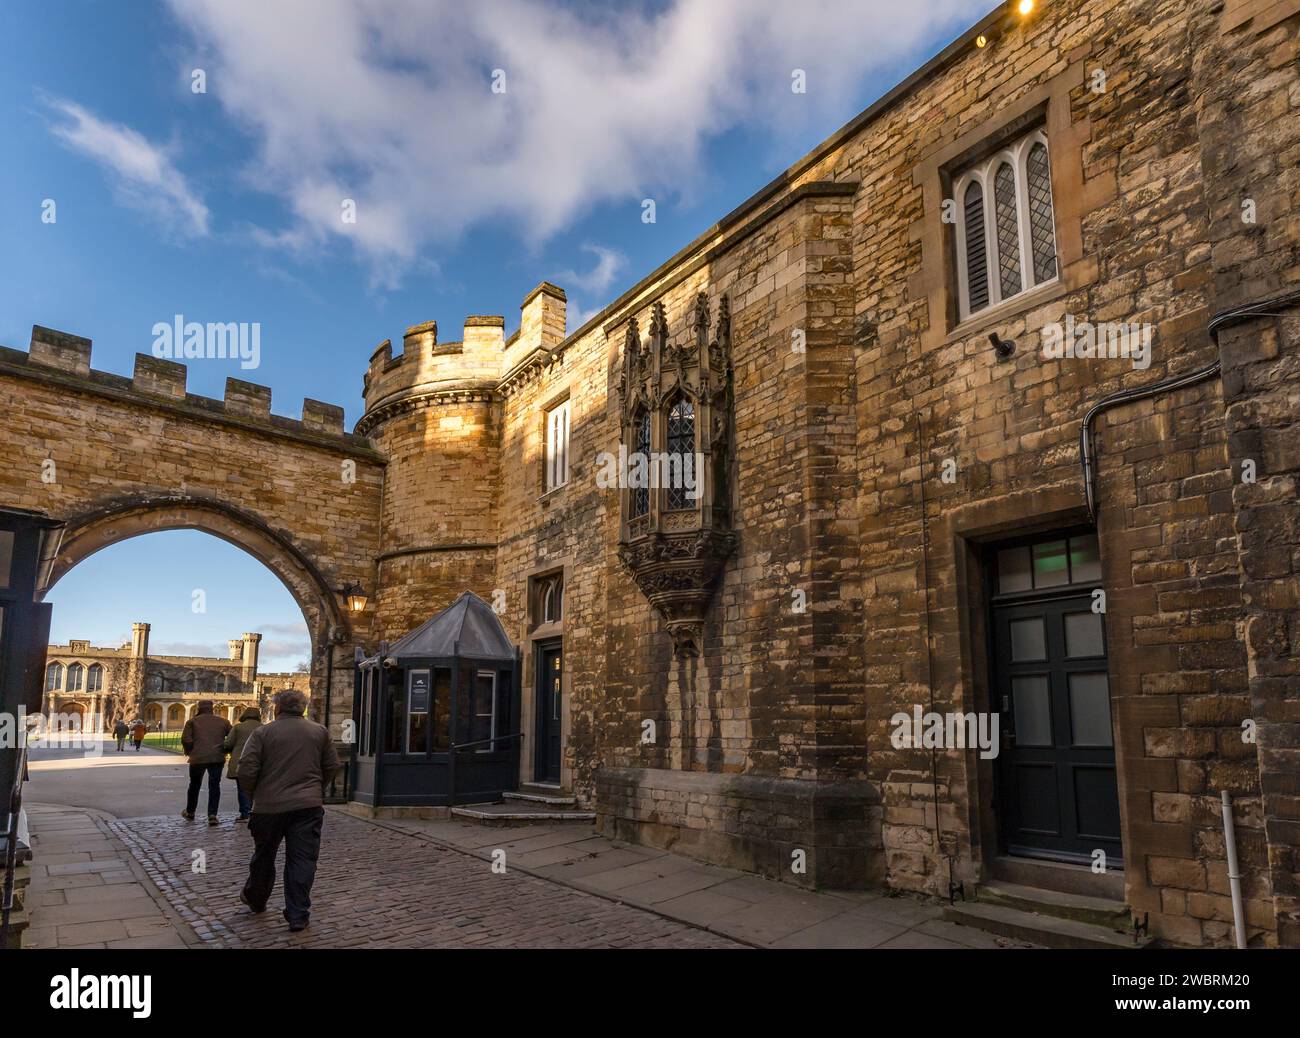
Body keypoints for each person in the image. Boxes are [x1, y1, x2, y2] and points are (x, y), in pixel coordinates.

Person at [236, 690, 339, 933]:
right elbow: (332, 765)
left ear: (277, 708)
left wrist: (254, 795)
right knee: (302, 859)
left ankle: (256, 897)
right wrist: (316, 789)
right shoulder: (319, 732)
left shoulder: (263, 733)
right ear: (302, 708)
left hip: (268, 806)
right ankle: (298, 914)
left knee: (264, 856)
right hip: (307, 806)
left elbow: (246, 769)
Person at [181, 700, 231, 825]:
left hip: (198, 758)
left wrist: (190, 751)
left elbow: (186, 739)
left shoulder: (192, 722)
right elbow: (232, 738)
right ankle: (212, 814)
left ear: (199, 709)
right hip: (217, 757)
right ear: (211, 708)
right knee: (214, 786)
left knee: (194, 785)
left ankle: (190, 811)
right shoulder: (223, 722)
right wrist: (224, 749)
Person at [222, 706, 263, 823]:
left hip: (241, 762)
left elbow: (228, 744)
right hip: (259, 762)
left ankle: (245, 813)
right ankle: (257, 812)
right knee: (258, 789)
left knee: (243, 789)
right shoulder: (263, 728)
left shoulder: (238, 727)